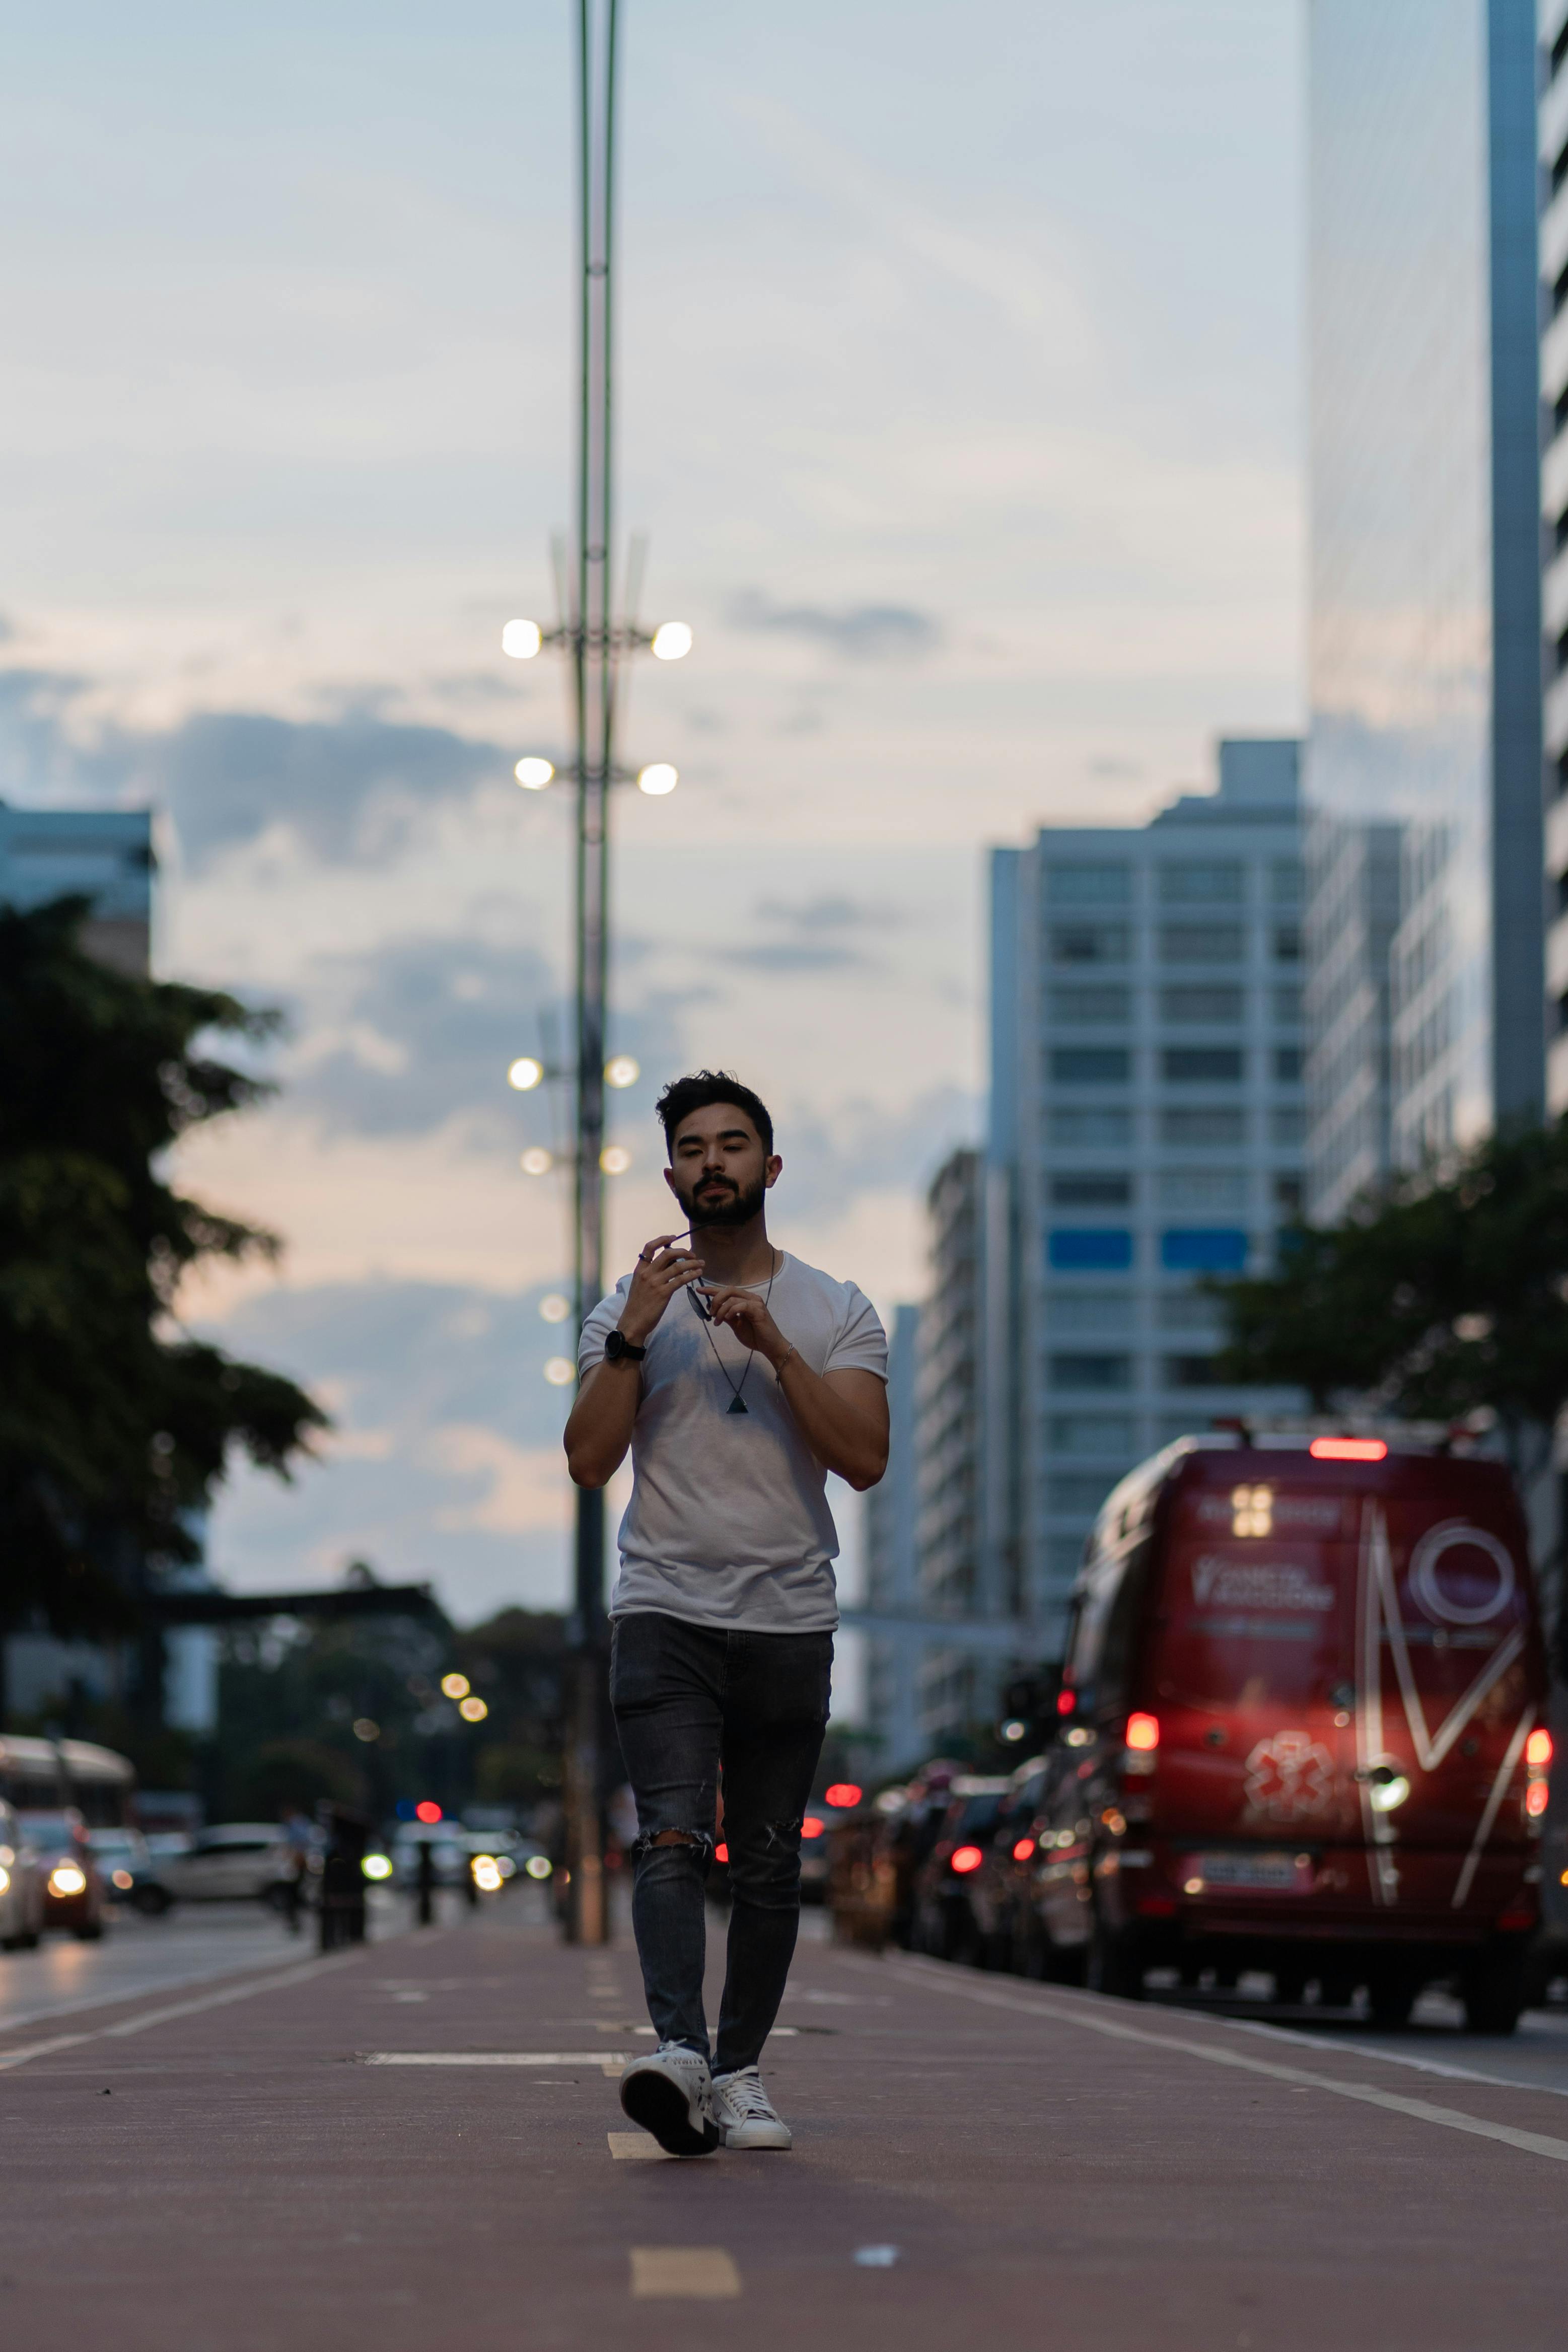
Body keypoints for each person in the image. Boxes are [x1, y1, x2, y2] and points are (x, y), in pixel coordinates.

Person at [564, 1070, 889, 2155]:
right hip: (664, 1607)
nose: (715, 1161)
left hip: (788, 1616)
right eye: (695, 1147)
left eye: (734, 1143)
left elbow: (865, 1458)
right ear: (671, 1175)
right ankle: (682, 2052)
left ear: (770, 1166)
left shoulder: (837, 1306)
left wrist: (778, 1349)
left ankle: (740, 2068)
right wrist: (633, 1334)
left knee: (763, 1857)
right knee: (670, 1834)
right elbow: (587, 1458)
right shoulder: (627, 1310)